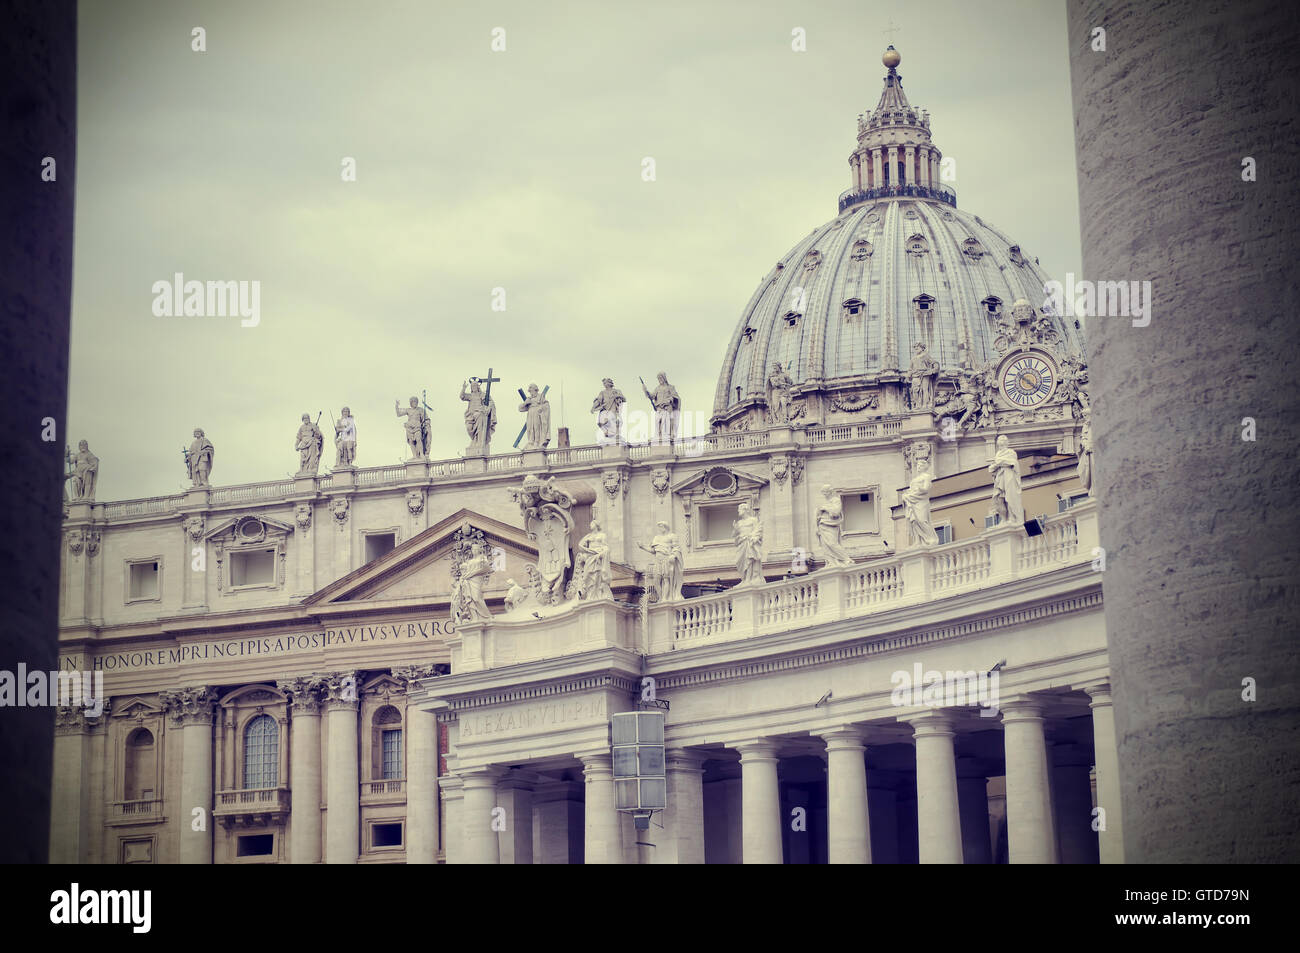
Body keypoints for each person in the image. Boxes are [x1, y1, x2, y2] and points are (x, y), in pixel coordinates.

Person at [638, 520, 684, 601]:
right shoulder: (656, 538)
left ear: (665, 527)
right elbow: (653, 551)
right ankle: (660, 597)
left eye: (661, 526)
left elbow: (676, 548)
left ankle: (664, 599)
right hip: (657, 561)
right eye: (659, 527)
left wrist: (673, 555)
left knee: (666, 579)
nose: (659, 529)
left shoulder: (672, 536)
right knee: (656, 580)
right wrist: (642, 547)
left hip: (666, 559)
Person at [815, 485, 855, 568]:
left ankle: (846, 559)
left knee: (832, 543)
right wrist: (817, 527)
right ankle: (831, 562)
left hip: (831, 525)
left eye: (825, 492)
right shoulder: (824, 503)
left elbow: (836, 512)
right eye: (823, 492)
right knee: (825, 546)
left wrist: (825, 508)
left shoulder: (836, 500)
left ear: (830, 492)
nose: (824, 494)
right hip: (822, 526)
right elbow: (817, 515)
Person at [989, 435, 1024, 524]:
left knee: (1009, 497)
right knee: (999, 499)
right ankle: (1004, 519)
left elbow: (1012, 462)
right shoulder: (997, 454)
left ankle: (1012, 517)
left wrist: (999, 463)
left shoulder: (1011, 452)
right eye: (1000, 440)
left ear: (1007, 443)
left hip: (1009, 476)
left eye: (1003, 440)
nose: (1001, 442)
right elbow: (991, 469)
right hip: (999, 478)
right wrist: (999, 463)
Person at [902, 464, 939, 546]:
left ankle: (931, 538)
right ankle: (918, 540)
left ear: (924, 467)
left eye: (920, 466)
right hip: (912, 499)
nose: (918, 467)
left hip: (921, 500)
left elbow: (926, 489)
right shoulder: (914, 479)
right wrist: (906, 495)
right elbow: (910, 490)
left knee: (922, 520)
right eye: (918, 465)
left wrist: (919, 488)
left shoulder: (927, 476)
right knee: (914, 521)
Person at [575, 519, 612, 600]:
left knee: (596, 575)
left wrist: (602, 553)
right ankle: (590, 594)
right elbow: (580, 545)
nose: (590, 525)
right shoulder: (588, 536)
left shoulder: (602, 535)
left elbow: (606, 547)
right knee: (587, 576)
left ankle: (596, 595)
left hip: (598, 557)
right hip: (590, 556)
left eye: (592, 524)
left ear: (596, 525)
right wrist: (587, 550)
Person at [461, 379, 497, 456]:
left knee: (480, 425)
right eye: (472, 386)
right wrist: (463, 388)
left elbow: (490, 402)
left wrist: (488, 408)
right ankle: (474, 440)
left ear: (477, 387)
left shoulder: (482, 394)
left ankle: (479, 443)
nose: (473, 387)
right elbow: (462, 396)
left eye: (475, 386)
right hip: (470, 416)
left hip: (479, 413)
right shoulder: (470, 396)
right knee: (469, 428)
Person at [733, 501, 765, 585]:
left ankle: (748, 579)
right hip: (742, 543)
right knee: (740, 561)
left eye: (740, 510)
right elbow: (736, 536)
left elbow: (758, 531)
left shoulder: (753, 520)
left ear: (745, 510)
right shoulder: (739, 523)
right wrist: (735, 529)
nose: (738, 511)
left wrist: (754, 538)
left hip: (750, 543)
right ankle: (744, 579)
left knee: (750, 560)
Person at [518, 383, 551, 450]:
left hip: (537, 414)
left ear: (535, 389)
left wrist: (541, 408)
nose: (530, 392)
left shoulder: (540, 397)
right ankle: (531, 442)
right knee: (529, 428)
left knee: (536, 427)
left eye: (530, 390)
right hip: (530, 414)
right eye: (529, 391)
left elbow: (546, 405)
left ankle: (537, 442)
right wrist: (525, 403)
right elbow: (520, 409)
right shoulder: (529, 399)